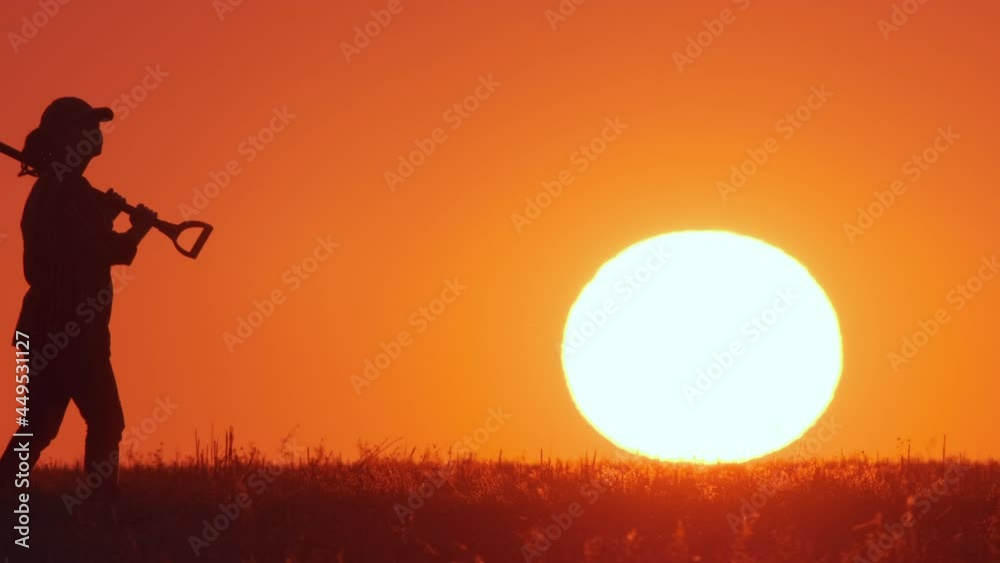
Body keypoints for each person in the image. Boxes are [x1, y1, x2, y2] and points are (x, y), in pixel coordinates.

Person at [0, 97, 158, 510]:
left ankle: (3, 497)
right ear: (70, 138)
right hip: (72, 329)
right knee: (106, 419)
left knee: (39, 424)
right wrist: (137, 229)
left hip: (44, 325)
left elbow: (76, 242)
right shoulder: (69, 192)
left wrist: (101, 212)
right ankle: (102, 509)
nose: (95, 135)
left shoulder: (60, 190)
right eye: (88, 127)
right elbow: (111, 251)